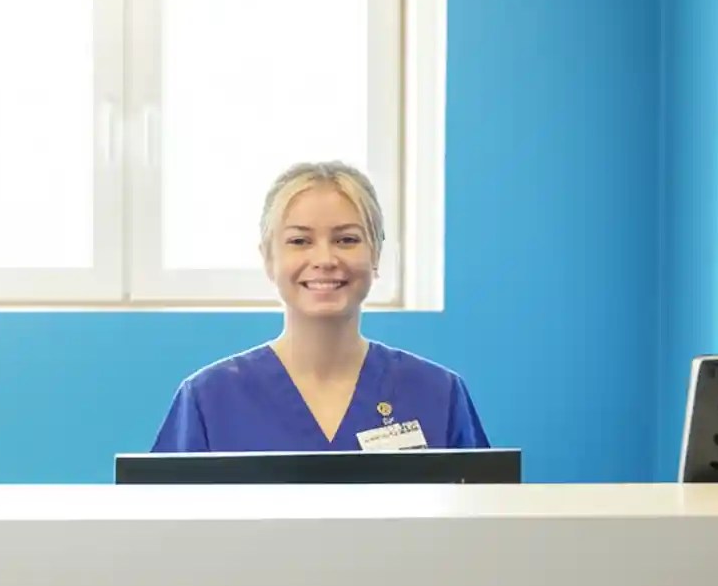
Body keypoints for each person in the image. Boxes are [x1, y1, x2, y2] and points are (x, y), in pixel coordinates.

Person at [151, 161, 489, 453]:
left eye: (347, 240)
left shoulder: (438, 394)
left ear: (375, 254)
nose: (325, 259)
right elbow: (163, 510)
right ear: (268, 258)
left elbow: (484, 507)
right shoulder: (209, 400)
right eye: (300, 241)